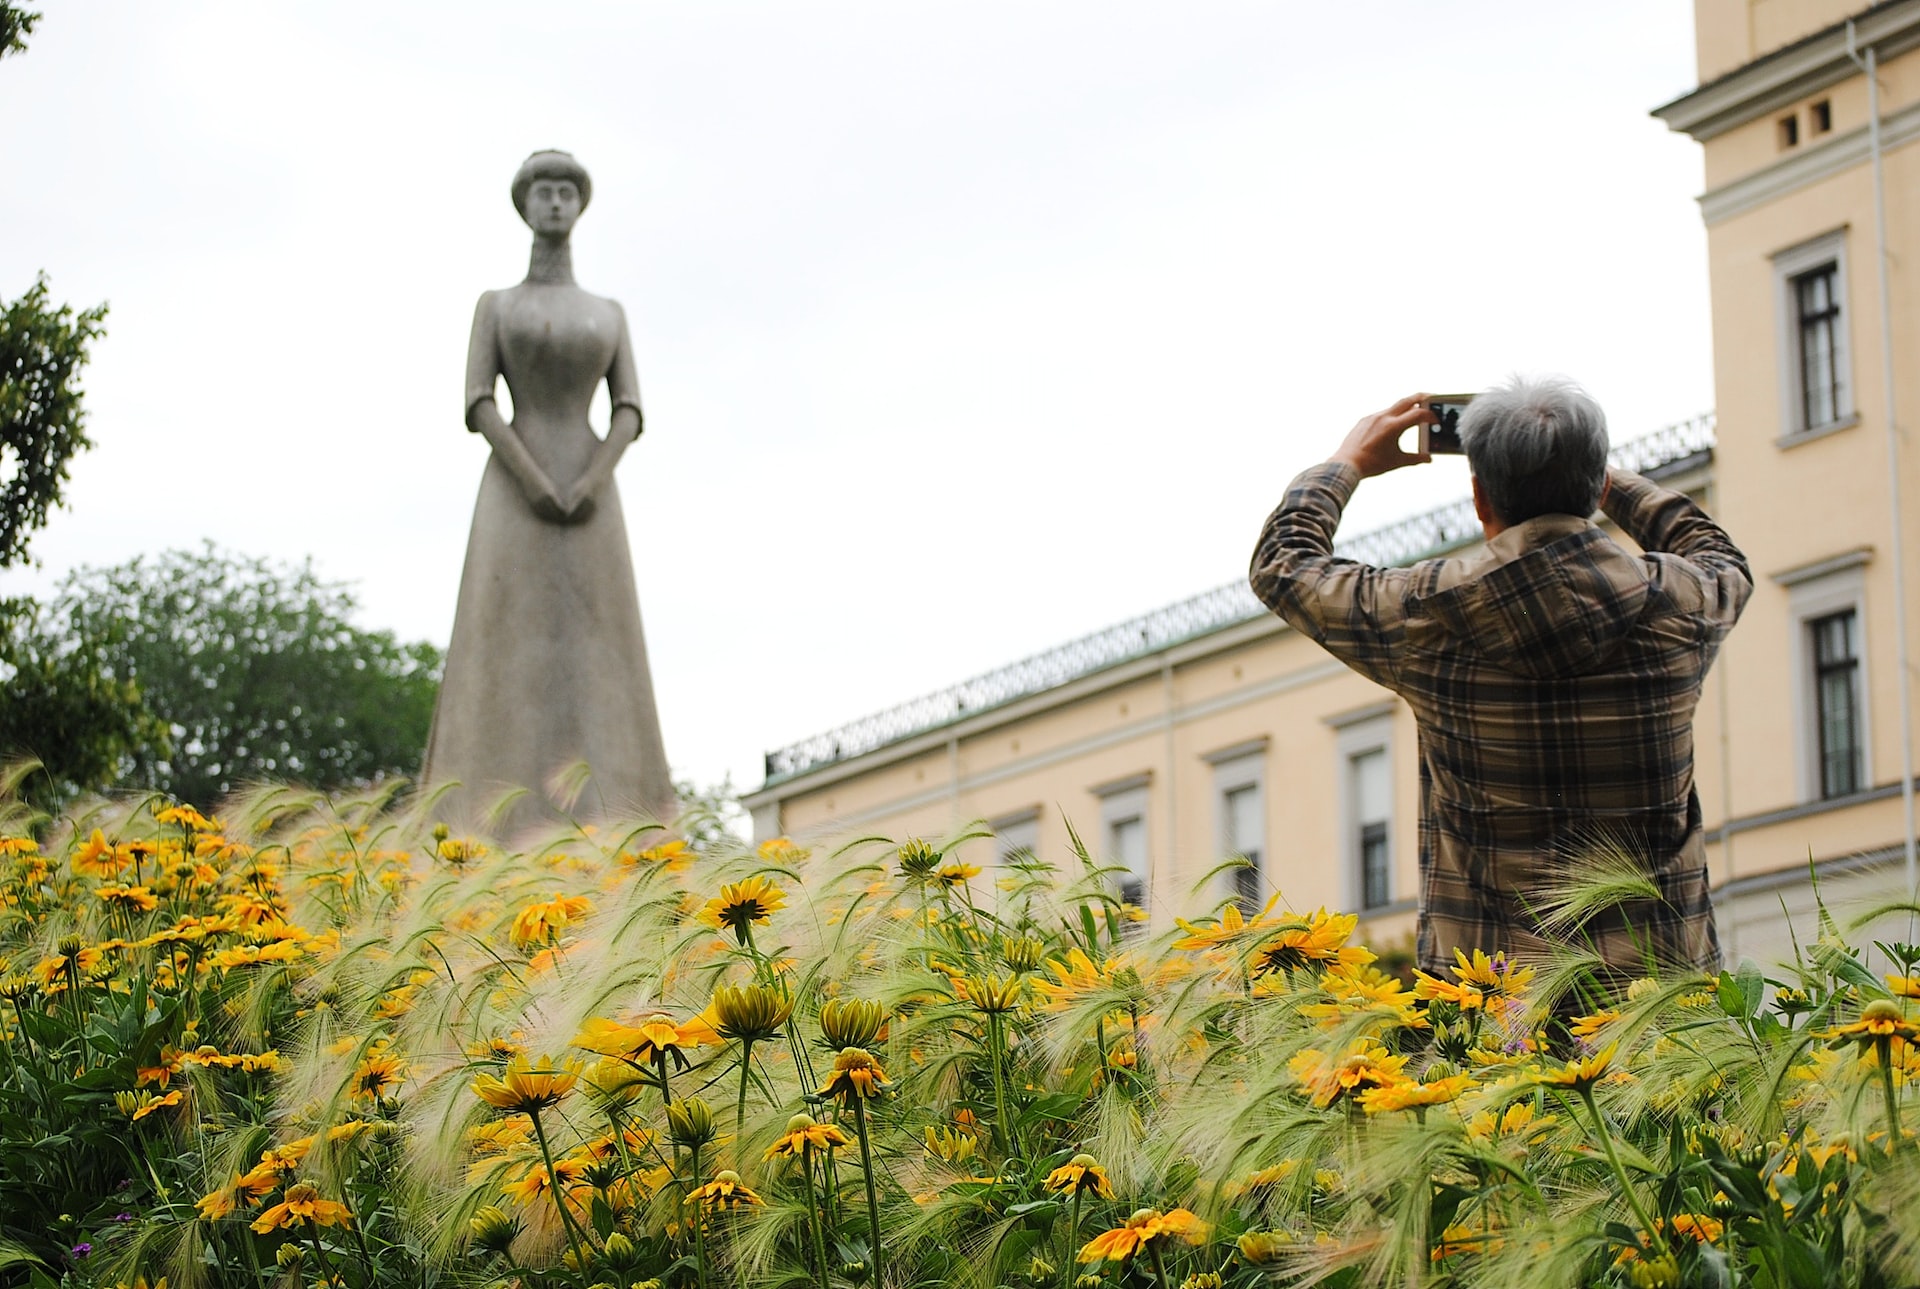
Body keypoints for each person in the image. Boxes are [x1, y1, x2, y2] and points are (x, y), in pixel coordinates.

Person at [1249, 377, 1750, 978]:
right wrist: (1593, 474)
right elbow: (1714, 549)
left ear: (1480, 498)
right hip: (1664, 1003)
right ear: (1593, 490)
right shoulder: (1682, 603)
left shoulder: (1425, 614)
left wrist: (1347, 463)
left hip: (1492, 1007)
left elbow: (1284, 564)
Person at [423, 150, 675, 831]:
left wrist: (593, 478)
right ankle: (483, 821)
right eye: (544, 191)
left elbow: (629, 407)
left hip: (593, 498)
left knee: (602, 656)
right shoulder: (497, 305)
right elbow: (479, 402)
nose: (556, 202)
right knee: (502, 645)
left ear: (579, 206)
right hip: (514, 495)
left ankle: (623, 819)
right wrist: (533, 480)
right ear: (526, 205)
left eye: (567, 192)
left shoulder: (608, 312)